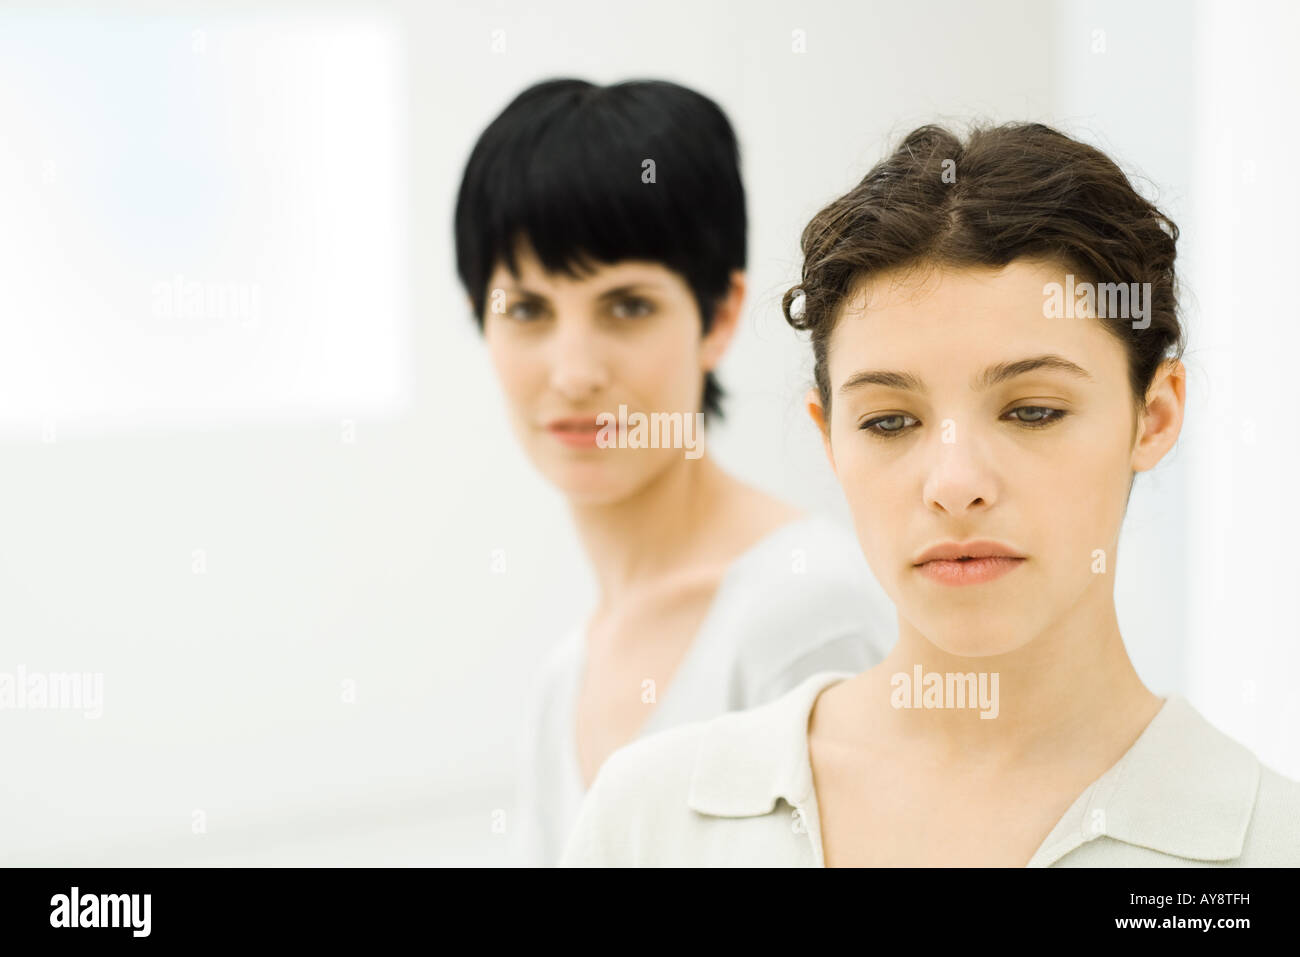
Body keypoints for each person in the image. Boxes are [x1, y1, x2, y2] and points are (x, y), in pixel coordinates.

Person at [558, 122, 1300, 867]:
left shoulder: (1271, 845)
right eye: (889, 421)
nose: (955, 484)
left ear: (1156, 413)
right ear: (830, 438)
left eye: (1033, 410)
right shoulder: (649, 821)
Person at [453, 78, 896, 866]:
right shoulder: (566, 678)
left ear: (720, 315)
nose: (574, 371)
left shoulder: (802, 610)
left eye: (626, 306)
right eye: (526, 309)